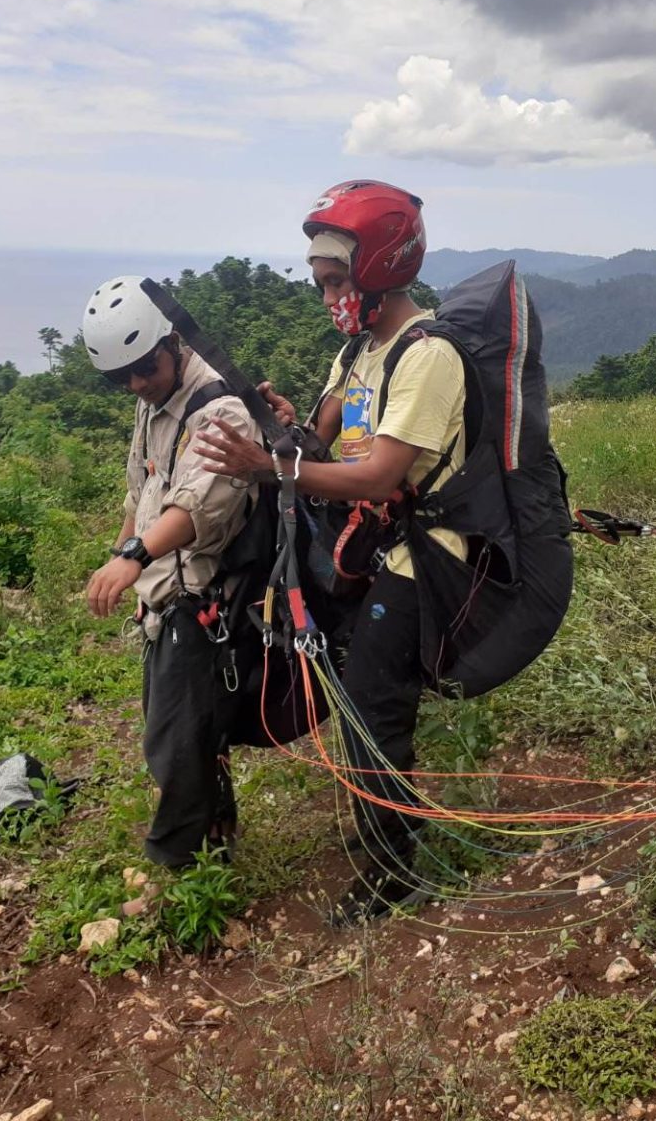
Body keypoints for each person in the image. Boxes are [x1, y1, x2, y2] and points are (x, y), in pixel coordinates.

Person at [197, 180, 467, 925]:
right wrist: (286, 429)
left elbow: (381, 473)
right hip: (366, 545)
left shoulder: (425, 356)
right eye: (322, 283)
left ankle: (392, 870)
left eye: (336, 281)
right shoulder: (360, 351)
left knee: (372, 711)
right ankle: (388, 835)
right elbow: (329, 444)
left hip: (421, 552)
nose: (327, 297)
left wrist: (265, 467)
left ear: (381, 268)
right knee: (355, 699)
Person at [81, 275, 260, 871]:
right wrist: (124, 559)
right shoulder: (152, 403)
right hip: (164, 595)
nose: (135, 384)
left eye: (143, 368)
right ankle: (215, 841)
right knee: (187, 732)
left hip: (203, 599)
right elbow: (143, 493)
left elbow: (193, 511)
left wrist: (134, 559)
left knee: (175, 744)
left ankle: (175, 868)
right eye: (119, 377)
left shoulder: (221, 409)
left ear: (173, 343)